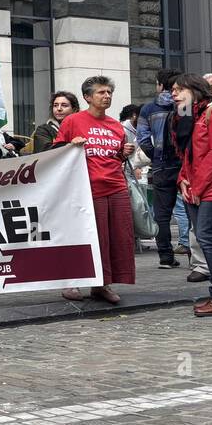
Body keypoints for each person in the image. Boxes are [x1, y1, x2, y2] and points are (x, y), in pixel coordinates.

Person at [54, 75, 136, 304]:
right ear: (87, 97)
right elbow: (56, 151)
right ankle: (73, 280)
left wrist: (124, 152)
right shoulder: (73, 121)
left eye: (109, 92)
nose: (107, 96)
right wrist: (71, 145)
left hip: (117, 185)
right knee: (90, 236)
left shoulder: (115, 126)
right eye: (101, 92)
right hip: (87, 187)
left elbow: (115, 156)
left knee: (117, 237)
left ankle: (102, 284)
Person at [174, 73, 212, 315]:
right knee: (207, 237)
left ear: (195, 90)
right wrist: (183, 180)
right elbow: (188, 154)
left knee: (208, 236)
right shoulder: (193, 115)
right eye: (173, 90)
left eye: (179, 89)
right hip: (199, 186)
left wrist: (197, 186)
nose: (174, 94)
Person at [137, 68, 183, 268]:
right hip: (184, 166)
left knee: (162, 215)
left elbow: (143, 138)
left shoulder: (148, 108)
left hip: (161, 167)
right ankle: (199, 260)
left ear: (160, 84)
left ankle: (166, 257)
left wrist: (155, 156)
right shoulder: (185, 106)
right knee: (192, 211)